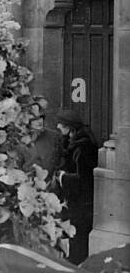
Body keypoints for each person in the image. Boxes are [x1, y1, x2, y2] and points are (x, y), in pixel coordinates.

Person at [54, 109, 97, 264]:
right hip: (76, 199)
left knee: (78, 234)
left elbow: (83, 178)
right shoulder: (74, 140)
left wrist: (62, 177)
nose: (58, 126)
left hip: (81, 200)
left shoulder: (83, 146)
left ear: (69, 126)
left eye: (61, 124)